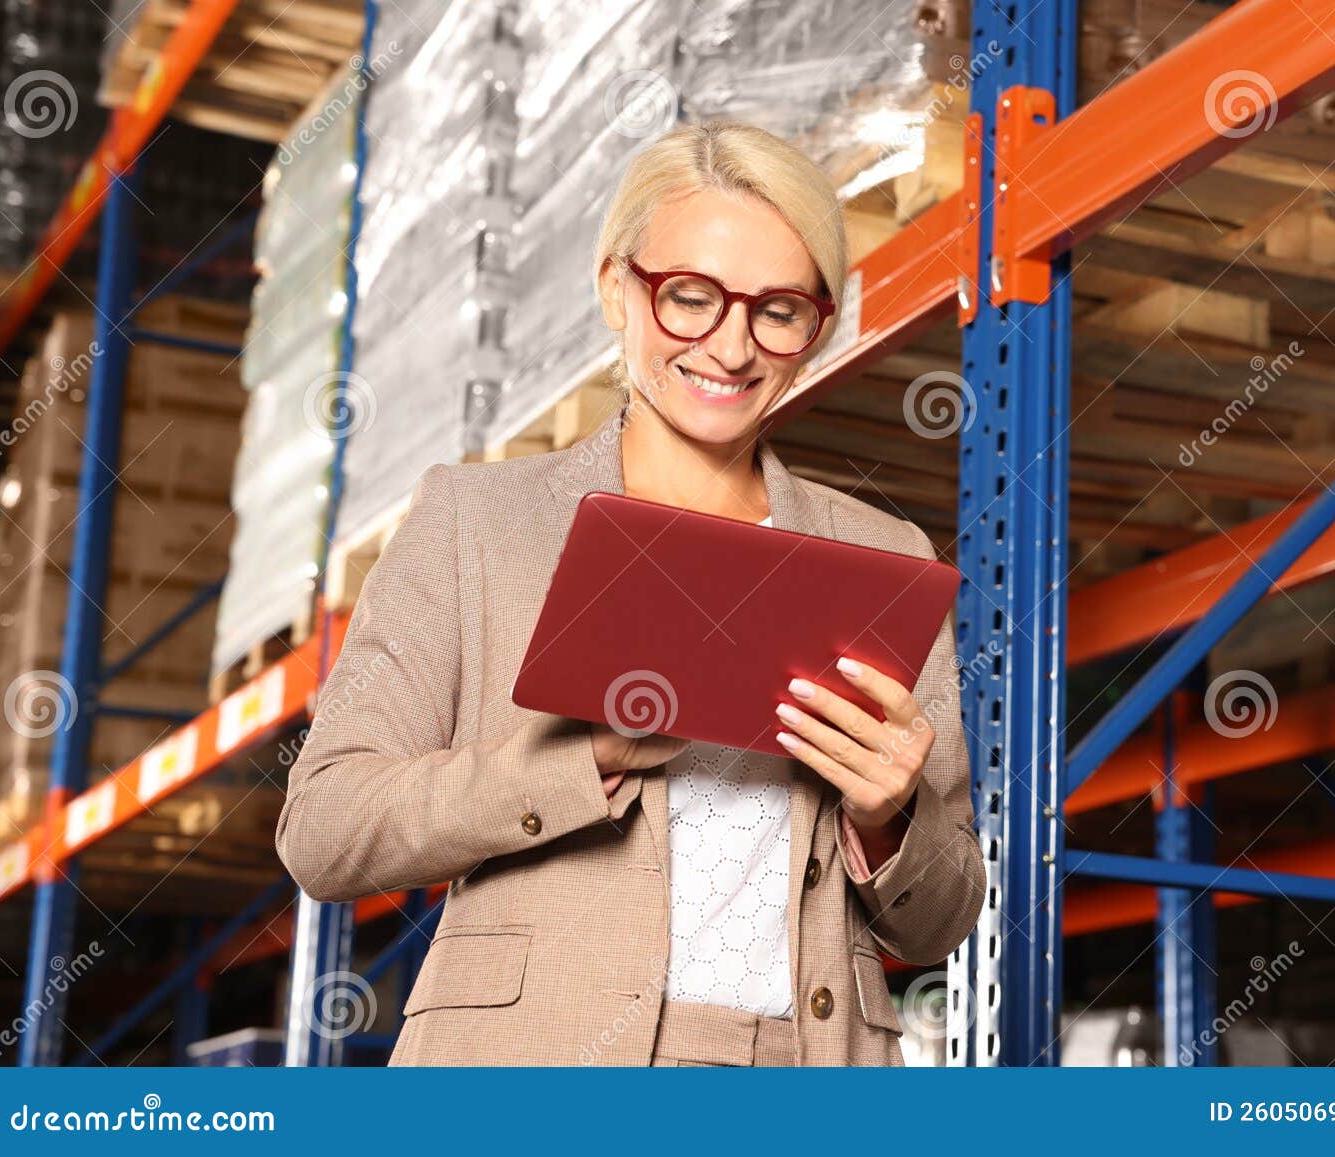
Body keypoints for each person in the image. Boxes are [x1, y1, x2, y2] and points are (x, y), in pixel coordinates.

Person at [276, 120, 985, 1066]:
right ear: (618, 287)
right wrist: (582, 764)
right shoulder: (478, 522)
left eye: (778, 310)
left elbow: (941, 921)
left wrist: (889, 818)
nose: (731, 349)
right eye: (689, 297)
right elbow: (325, 829)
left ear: (818, 321)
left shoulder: (879, 555)